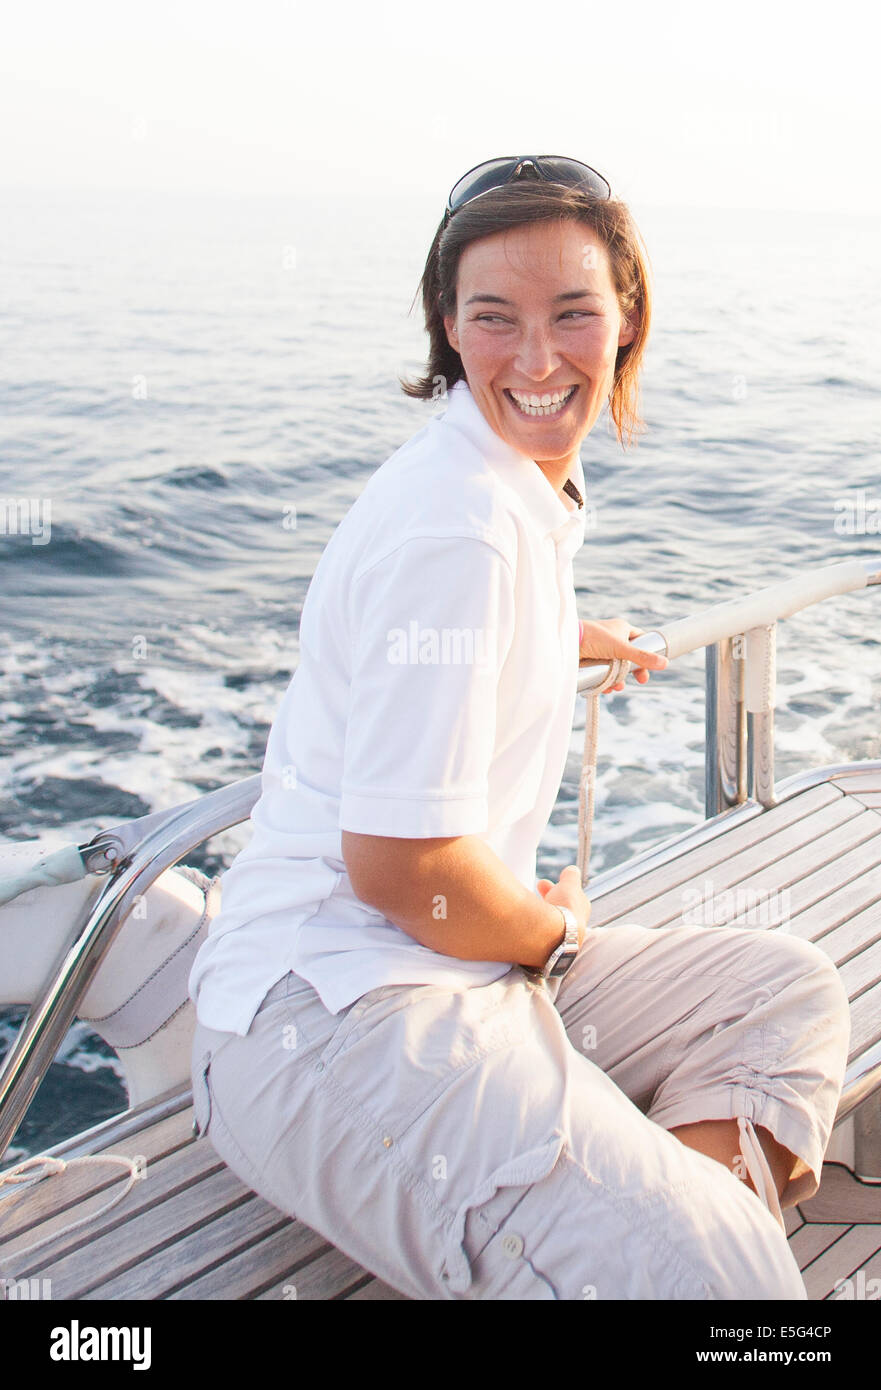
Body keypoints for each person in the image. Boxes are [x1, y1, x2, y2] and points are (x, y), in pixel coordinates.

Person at [187, 156, 850, 1300]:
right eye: (493, 318)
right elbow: (402, 875)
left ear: (625, 318)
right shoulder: (461, 533)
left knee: (780, 994)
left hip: (443, 968)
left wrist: (549, 634)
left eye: (571, 313)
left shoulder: (505, 488)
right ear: (448, 327)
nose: (536, 358)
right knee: (727, 1277)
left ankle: (624, 1246)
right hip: (327, 1013)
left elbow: (445, 630)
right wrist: (546, 939)